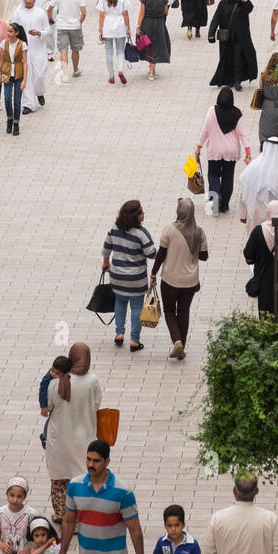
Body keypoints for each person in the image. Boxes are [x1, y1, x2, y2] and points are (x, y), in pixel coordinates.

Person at [59, 440, 147, 554]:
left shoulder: (123, 491)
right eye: (88, 459)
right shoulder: (74, 486)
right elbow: (68, 521)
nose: (90, 464)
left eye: (96, 461)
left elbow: (135, 530)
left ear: (107, 461)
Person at [44, 343, 102, 522]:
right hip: (84, 438)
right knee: (81, 478)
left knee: (59, 477)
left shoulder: (57, 382)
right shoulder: (92, 381)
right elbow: (97, 404)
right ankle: (80, 517)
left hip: (59, 438)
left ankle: (61, 513)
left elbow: (49, 405)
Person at [150, 199, 209, 359]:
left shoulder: (169, 230)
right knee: (184, 312)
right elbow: (204, 257)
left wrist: (153, 273)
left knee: (169, 311)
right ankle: (181, 345)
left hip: (170, 279)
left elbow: (161, 255)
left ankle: (177, 342)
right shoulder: (199, 232)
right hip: (190, 281)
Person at [102, 199, 156, 351]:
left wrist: (106, 262)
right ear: (135, 217)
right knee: (137, 306)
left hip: (117, 276)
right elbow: (151, 253)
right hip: (136, 279)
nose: (143, 214)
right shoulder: (141, 233)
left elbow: (106, 247)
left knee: (120, 303)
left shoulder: (114, 228)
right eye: (141, 212)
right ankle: (134, 340)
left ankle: (119, 334)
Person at [196, 88, 251, 214]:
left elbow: (204, 131)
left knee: (213, 175)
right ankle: (224, 204)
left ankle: (215, 203)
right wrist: (248, 151)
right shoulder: (237, 113)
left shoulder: (211, 112)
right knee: (228, 177)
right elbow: (243, 134)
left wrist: (199, 147)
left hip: (214, 149)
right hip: (231, 151)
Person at [208, 0, 257, 90]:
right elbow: (216, 18)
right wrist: (211, 33)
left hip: (239, 37)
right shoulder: (222, 3)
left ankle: (237, 81)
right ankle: (229, 80)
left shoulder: (241, 3)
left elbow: (250, 8)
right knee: (227, 58)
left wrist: (247, 1)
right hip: (226, 38)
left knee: (238, 58)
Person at [238, 138, 278, 229]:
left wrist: (243, 215)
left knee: (256, 241)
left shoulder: (253, 165)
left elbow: (243, 191)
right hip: (276, 218)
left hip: (257, 216)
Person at [11, 0, 49, 112]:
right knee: (26, 75)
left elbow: (48, 30)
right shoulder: (18, 13)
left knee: (39, 75)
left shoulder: (41, 13)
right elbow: (13, 29)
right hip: (24, 50)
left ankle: (39, 92)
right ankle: (28, 104)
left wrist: (39, 32)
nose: (28, 1)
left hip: (39, 49)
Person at [97, 0, 132, 86]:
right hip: (120, 26)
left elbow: (101, 15)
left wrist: (100, 30)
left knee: (108, 52)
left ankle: (111, 76)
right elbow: (125, 14)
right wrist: (128, 28)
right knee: (120, 51)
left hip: (107, 26)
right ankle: (120, 70)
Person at [50, 0, 86, 81]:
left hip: (62, 26)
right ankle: (75, 70)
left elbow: (49, 7)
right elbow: (84, 13)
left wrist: (51, 19)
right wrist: (80, 21)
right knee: (75, 49)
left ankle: (65, 73)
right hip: (75, 26)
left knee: (63, 50)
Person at [137, 0, 170, 81]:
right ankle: (152, 70)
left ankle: (151, 69)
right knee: (156, 46)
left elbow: (142, 13)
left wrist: (138, 26)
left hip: (147, 23)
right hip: (159, 24)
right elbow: (166, 12)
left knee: (148, 45)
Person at [0, 22, 28, 136]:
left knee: (17, 100)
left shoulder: (22, 44)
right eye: (7, 31)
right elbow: (1, 59)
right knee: (7, 98)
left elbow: (25, 63)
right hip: (7, 72)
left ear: (16, 33)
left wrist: (24, 80)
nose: (8, 33)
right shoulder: (4, 43)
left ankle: (16, 122)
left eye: (11, 31)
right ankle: (9, 118)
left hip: (18, 73)